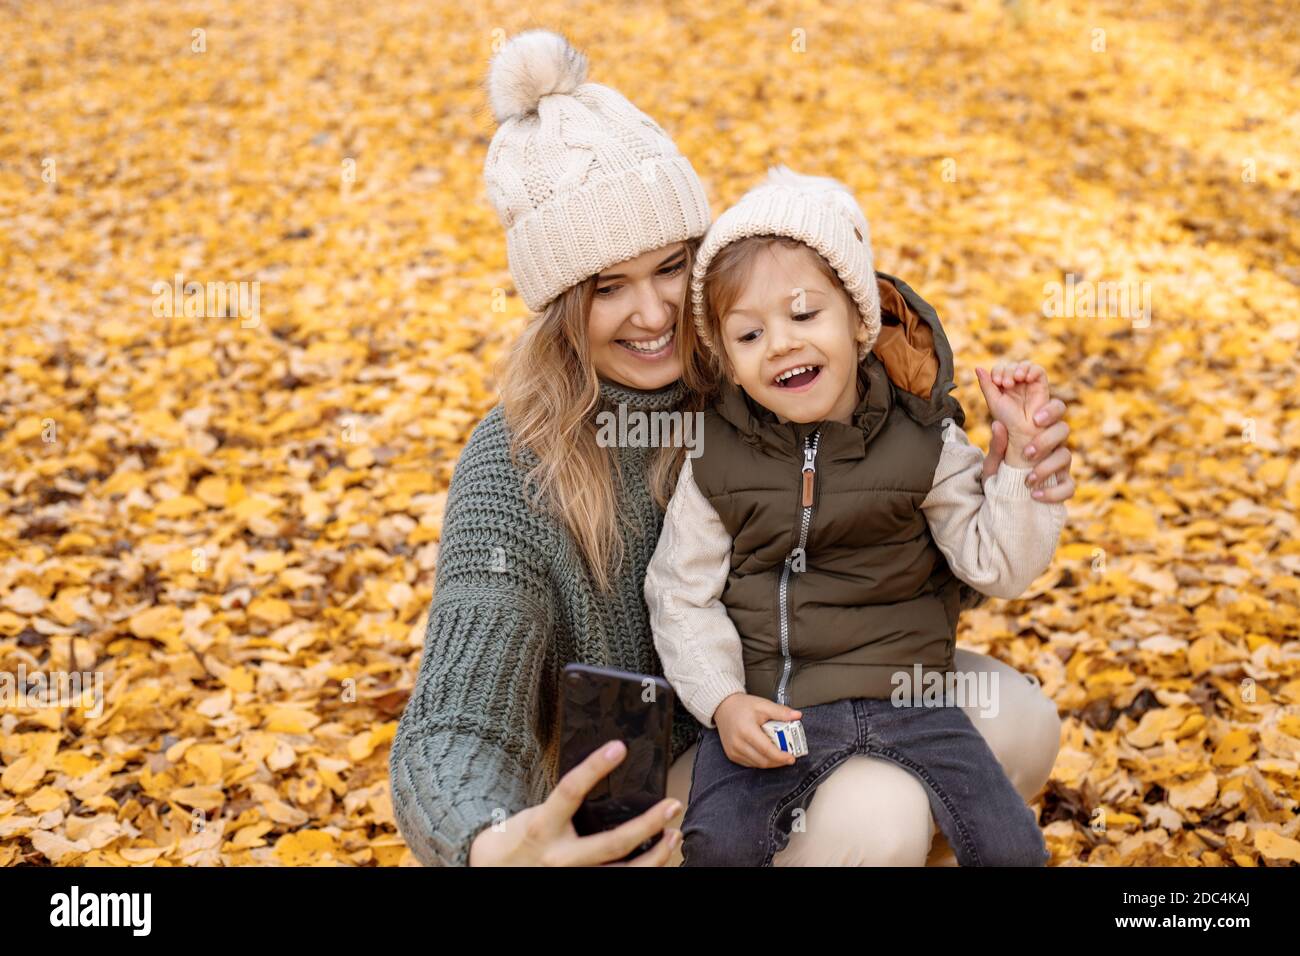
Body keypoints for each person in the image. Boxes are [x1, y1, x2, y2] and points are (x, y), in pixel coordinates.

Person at [389, 30, 1077, 867]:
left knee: (1020, 720)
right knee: (880, 813)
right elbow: (454, 718)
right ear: (561, 305)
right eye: (608, 287)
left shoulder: (766, 370)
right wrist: (491, 840)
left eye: (672, 268)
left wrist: (1009, 475)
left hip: (812, 697)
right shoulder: (518, 462)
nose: (651, 313)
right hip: (647, 776)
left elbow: (891, 563)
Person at [647, 168, 1066, 866]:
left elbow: (995, 563)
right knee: (718, 841)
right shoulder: (712, 455)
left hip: (912, 699)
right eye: (749, 335)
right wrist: (722, 702)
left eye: (804, 315)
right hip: (774, 703)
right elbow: (678, 594)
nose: (780, 343)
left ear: (858, 318)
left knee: (1010, 843)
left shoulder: (923, 437)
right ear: (726, 356)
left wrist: (1020, 466)